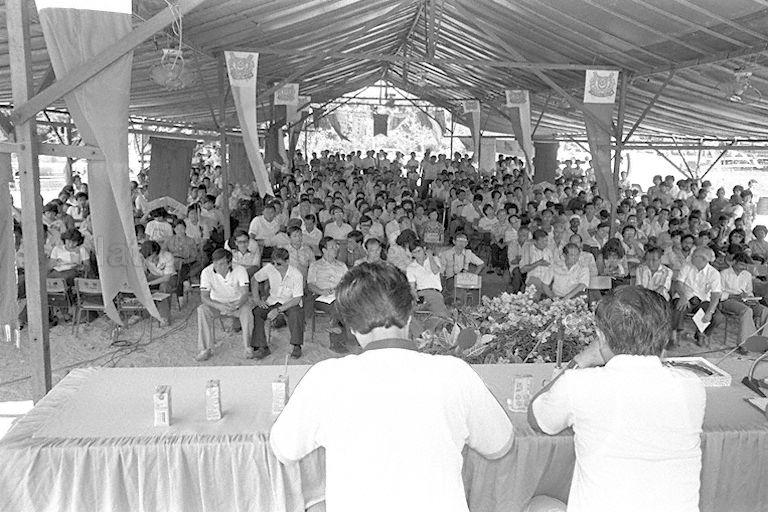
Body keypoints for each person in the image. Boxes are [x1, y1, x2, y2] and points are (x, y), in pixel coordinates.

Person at [270, 262, 514, 512]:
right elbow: (499, 445)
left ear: (351, 326)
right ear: (409, 313)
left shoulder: (325, 379)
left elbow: (284, 449)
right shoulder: (455, 373)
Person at [526, 286, 705, 512]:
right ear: (665, 336)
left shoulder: (579, 384)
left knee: (537, 503)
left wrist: (581, 360)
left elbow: (537, 418)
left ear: (600, 336)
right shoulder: (691, 385)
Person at [195, 248, 253, 361]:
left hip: (236, 302)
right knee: (202, 309)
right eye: (215, 263)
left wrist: (236, 305)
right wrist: (219, 306)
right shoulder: (207, 272)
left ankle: (248, 347)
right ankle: (205, 349)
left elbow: (245, 293)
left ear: (229, 263)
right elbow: (204, 297)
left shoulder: (240, 270)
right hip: (216, 303)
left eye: (221, 264)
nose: (217, 267)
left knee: (247, 310)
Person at [251, 248, 305, 359]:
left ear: (287, 261)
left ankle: (296, 346)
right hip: (273, 300)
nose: (275, 266)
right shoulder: (270, 268)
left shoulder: (296, 274)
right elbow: (254, 279)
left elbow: (297, 299)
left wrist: (278, 310)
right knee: (257, 312)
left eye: (279, 264)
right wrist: (257, 299)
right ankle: (262, 347)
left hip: (290, 302)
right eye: (273, 263)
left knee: (296, 313)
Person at [671, 246, 723, 346]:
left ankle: (701, 333)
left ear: (703, 259)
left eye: (694, 256)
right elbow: (679, 283)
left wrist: (710, 312)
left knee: (717, 317)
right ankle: (674, 334)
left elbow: (716, 295)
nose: (691, 257)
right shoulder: (687, 266)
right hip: (685, 297)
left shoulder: (714, 273)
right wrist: (683, 296)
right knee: (679, 306)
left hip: (702, 301)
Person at [307, 237, 351, 353]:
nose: (336, 249)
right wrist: (321, 291)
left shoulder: (342, 265)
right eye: (332, 247)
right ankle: (337, 342)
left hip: (338, 295)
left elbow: (348, 282)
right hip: (320, 296)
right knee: (337, 306)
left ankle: (340, 333)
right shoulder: (315, 265)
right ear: (324, 250)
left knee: (343, 304)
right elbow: (310, 285)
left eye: (336, 246)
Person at [719, 252, 768, 343]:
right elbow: (718, 293)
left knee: (765, 311)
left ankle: (764, 340)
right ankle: (745, 342)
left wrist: (751, 298)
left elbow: (749, 291)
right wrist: (735, 296)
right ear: (734, 262)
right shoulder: (724, 273)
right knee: (747, 311)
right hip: (728, 300)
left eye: (745, 265)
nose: (743, 267)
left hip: (744, 300)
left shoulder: (747, 275)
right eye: (741, 264)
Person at [406, 242, 449, 320]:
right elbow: (412, 288)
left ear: (424, 249)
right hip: (420, 294)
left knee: (441, 316)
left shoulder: (435, 259)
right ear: (412, 254)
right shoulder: (411, 267)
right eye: (414, 252)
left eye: (419, 251)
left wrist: (430, 256)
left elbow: (435, 271)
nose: (418, 254)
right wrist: (416, 297)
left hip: (434, 293)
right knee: (409, 315)